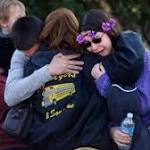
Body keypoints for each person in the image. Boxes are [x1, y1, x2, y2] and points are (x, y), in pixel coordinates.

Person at [8, 8, 109, 150]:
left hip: (44, 141)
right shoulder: (94, 61)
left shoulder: (33, 63)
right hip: (86, 141)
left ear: (45, 32)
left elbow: (15, 97)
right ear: (76, 29)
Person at [78, 9, 150, 150]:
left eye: (97, 39)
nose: (93, 47)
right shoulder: (94, 68)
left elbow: (138, 103)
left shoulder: (142, 57)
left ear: (109, 31)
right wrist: (112, 131)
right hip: (127, 137)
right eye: (87, 44)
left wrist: (104, 82)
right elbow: (100, 112)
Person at [5, 15, 83, 106]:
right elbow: (10, 97)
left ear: (41, 38)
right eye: (23, 51)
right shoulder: (20, 53)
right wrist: (48, 71)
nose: (26, 54)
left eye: (28, 50)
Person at [0, 0, 31, 149]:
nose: (24, 22)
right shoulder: (8, 44)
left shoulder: (26, 40)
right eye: (19, 19)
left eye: (25, 17)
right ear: (4, 22)